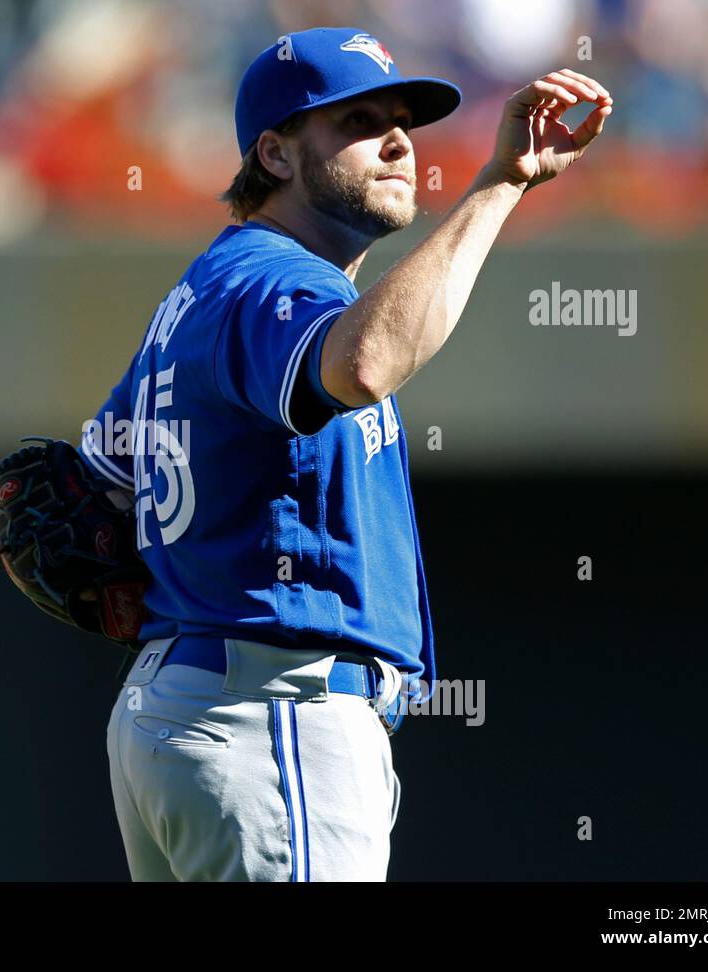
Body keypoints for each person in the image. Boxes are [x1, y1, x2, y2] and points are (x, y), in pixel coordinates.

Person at [83, 28, 611, 881]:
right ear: (276, 154)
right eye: (358, 121)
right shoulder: (276, 282)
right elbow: (363, 364)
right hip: (272, 713)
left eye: (405, 118)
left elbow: (92, 481)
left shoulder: (204, 290)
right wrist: (501, 183)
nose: (401, 139)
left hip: (186, 712)